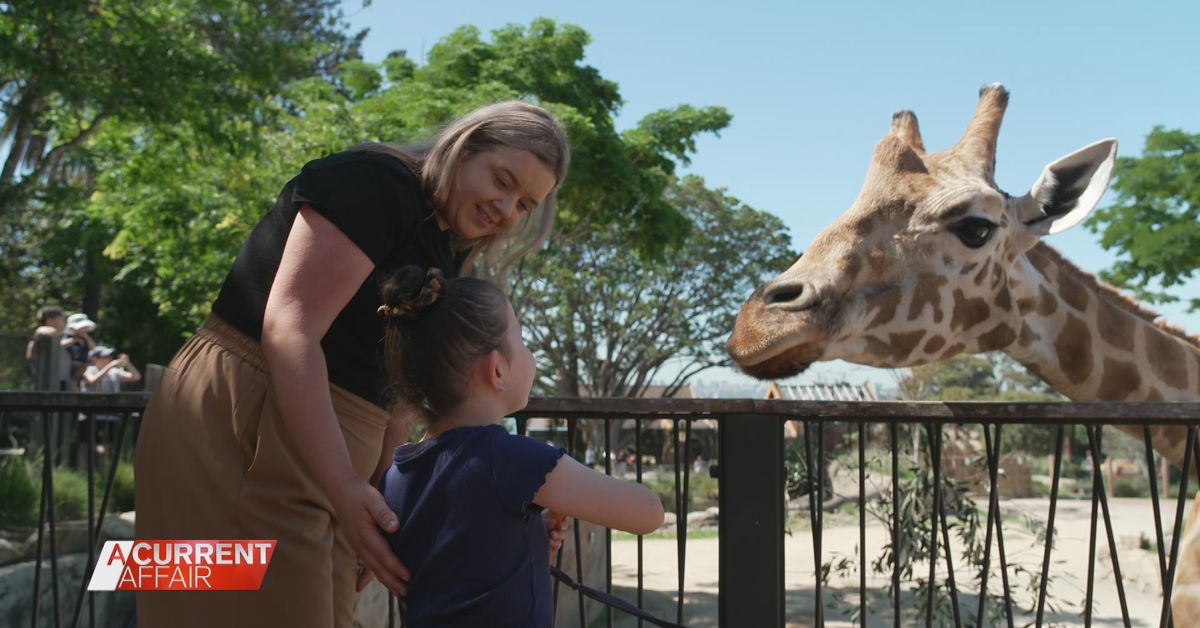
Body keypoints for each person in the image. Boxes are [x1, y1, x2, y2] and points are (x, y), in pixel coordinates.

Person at [133, 100, 570, 628]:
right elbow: (289, 327)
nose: (505, 208)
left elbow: (394, 388)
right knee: (202, 607)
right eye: (502, 179)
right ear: (463, 146)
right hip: (244, 422)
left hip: (328, 448)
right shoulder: (374, 183)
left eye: (525, 204)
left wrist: (380, 490)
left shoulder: (444, 246)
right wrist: (343, 485)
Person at [376, 267, 664, 627]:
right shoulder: (514, 459)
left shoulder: (397, 475)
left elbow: (461, 565)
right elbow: (648, 513)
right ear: (497, 370)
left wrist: (523, 538)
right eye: (523, 340)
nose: (531, 354)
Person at [63, 313, 98, 389]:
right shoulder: (68, 337)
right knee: (73, 382)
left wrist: (86, 337)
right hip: (70, 365)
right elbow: (62, 344)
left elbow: (93, 349)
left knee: (78, 382)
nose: (84, 329)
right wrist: (74, 340)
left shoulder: (85, 338)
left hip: (82, 364)